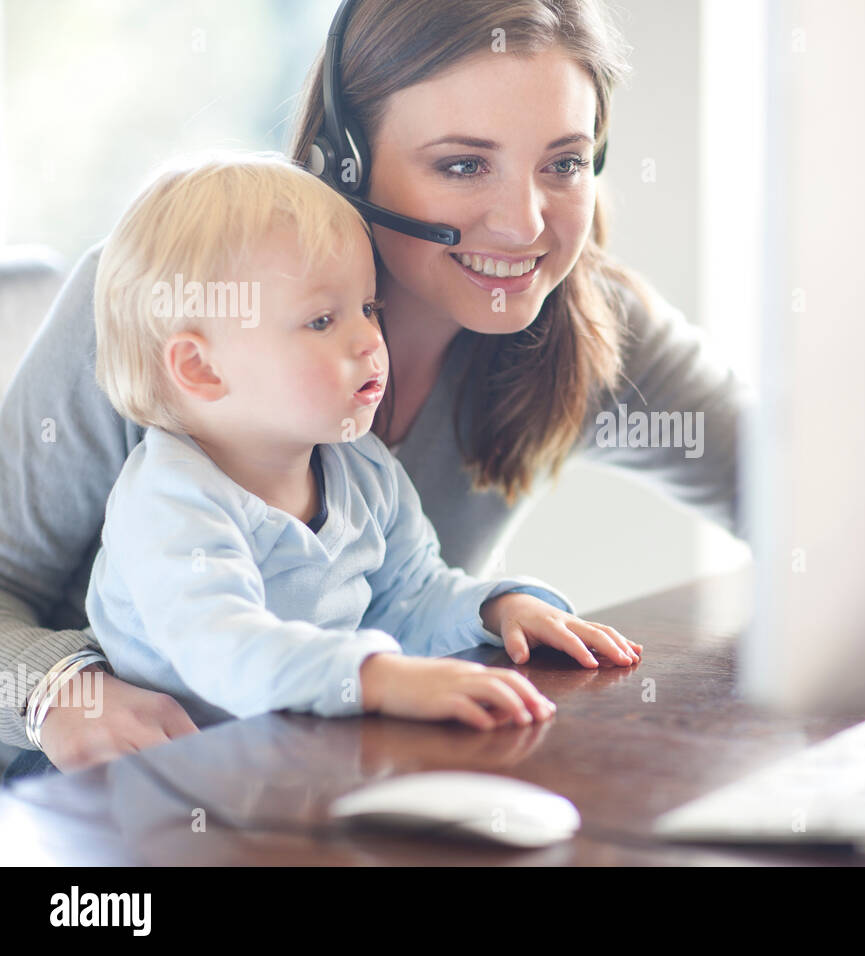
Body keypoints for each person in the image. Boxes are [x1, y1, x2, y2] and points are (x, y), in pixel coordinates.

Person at [0, 0, 750, 779]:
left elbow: (810, 504)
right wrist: (57, 692)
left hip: (316, 793)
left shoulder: (588, 325)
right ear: (343, 163)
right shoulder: (173, 303)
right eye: (464, 164)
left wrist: (497, 607)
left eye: (562, 163)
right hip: (91, 816)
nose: (525, 224)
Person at [83, 151, 640, 740]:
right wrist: (378, 678)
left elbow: (409, 596)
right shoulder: (168, 502)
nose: (371, 341)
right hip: (149, 782)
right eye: (322, 320)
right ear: (201, 367)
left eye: (370, 308)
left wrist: (497, 611)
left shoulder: (359, 463)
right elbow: (225, 646)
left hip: (288, 755)